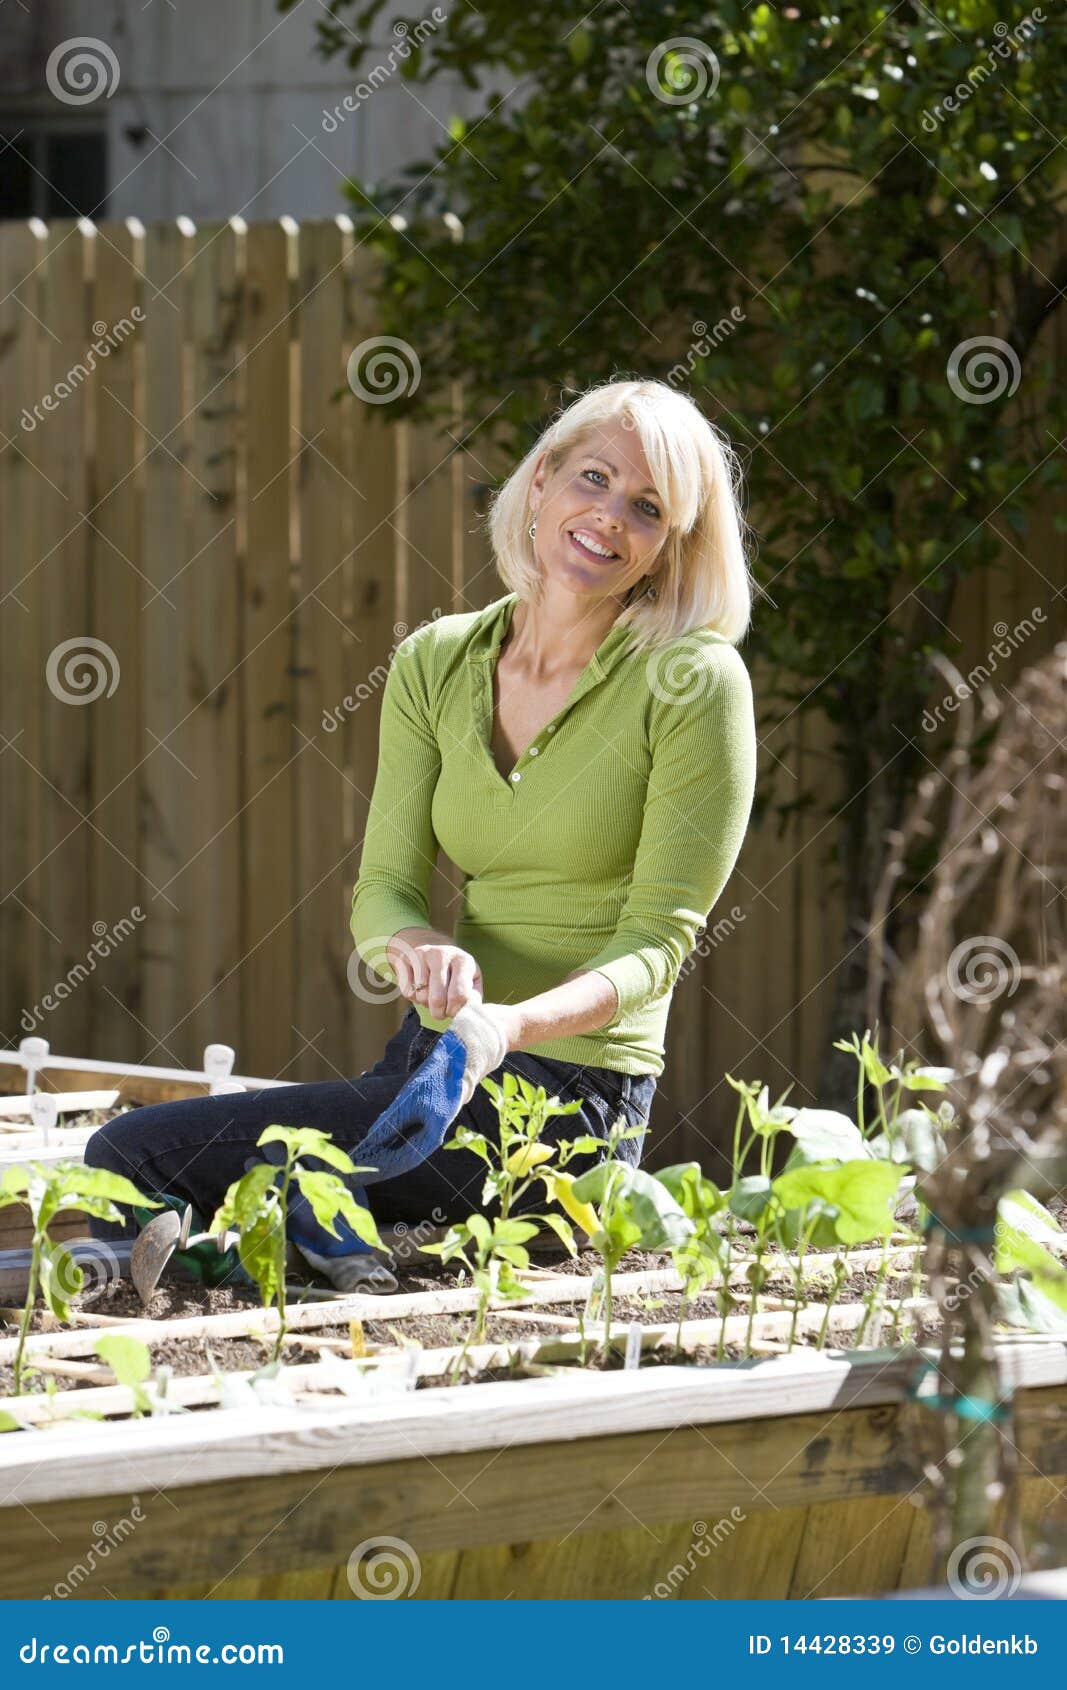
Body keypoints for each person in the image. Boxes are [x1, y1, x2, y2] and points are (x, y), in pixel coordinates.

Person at [85, 376, 758, 1292]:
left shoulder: (692, 681)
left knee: (162, 1158)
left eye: (645, 507)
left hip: (569, 1100)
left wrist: (509, 1026)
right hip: (431, 1065)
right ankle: (299, 1248)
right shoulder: (438, 660)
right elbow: (384, 890)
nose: (608, 517)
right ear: (542, 478)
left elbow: (657, 945)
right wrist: (420, 945)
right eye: (592, 478)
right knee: (131, 1158)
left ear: (668, 546)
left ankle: (313, 1242)